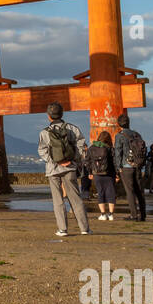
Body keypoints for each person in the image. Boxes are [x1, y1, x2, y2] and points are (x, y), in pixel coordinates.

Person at [38, 102, 89, 238]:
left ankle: (63, 229)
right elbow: (81, 145)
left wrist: (55, 160)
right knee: (75, 198)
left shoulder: (44, 132)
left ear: (49, 116)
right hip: (70, 167)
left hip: (53, 169)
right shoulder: (72, 128)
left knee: (58, 200)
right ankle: (84, 228)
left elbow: (42, 151)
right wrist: (73, 160)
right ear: (62, 114)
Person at [113, 114, 146, 222]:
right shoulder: (137, 134)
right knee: (139, 191)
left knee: (130, 191)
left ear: (119, 124)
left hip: (126, 166)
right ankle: (143, 214)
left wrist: (118, 168)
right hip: (137, 165)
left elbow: (118, 152)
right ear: (129, 123)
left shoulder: (120, 136)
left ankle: (134, 215)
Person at [87, 129, 117, 221]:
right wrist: (117, 174)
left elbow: (87, 161)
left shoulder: (91, 148)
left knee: (100, 193)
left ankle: (103, 214)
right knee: (110, 193)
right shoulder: (110, 148)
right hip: (109, 174)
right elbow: (114, 162)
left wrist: (90, 172)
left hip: (97, 174)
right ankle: (111, 214)